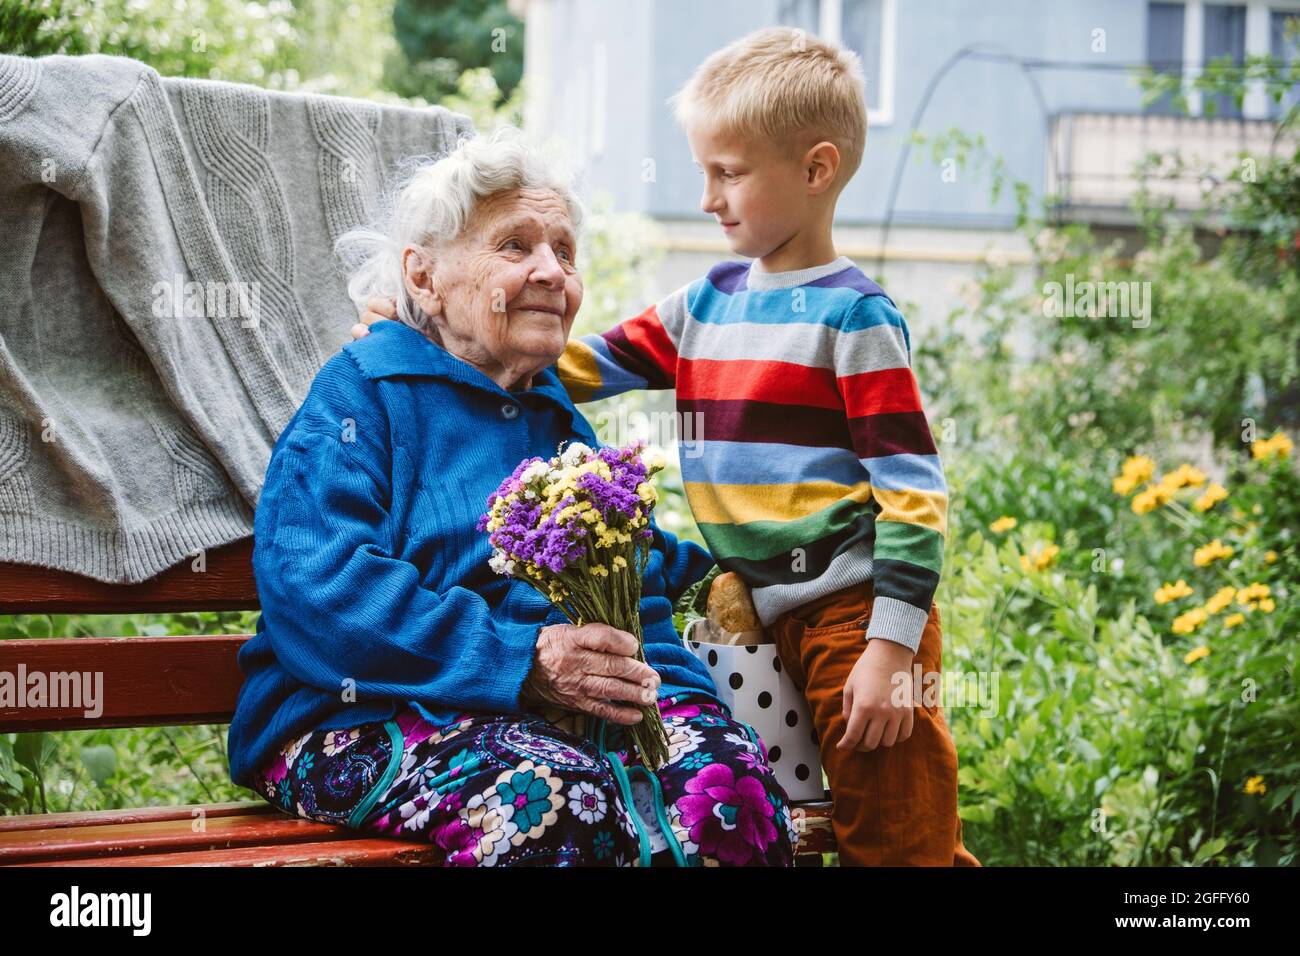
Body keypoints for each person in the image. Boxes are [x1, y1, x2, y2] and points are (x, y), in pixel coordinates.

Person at [357, 27, 979, 866]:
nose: (709, 198)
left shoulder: (854, 320)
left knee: (896, 827)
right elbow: (573, 364)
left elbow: (912, 490)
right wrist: (435, 337)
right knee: (786, 816)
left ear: (815, 169)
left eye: (729, 174)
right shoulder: (705, 303)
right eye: (704, 173)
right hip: (752, 611)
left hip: (851, 610)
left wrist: (892, 647)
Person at [228, 127, 798, 867]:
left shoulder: (558, 419)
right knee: (550, 802)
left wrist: (693, 683)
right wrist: (519, 659)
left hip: (560, 716)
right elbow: (319, 588)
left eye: (564, 251)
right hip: (361, 711)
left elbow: (638, 578)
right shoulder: (363, 395)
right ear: (425, 278)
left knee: (731, 797)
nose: (551, 271)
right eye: (515, 245)